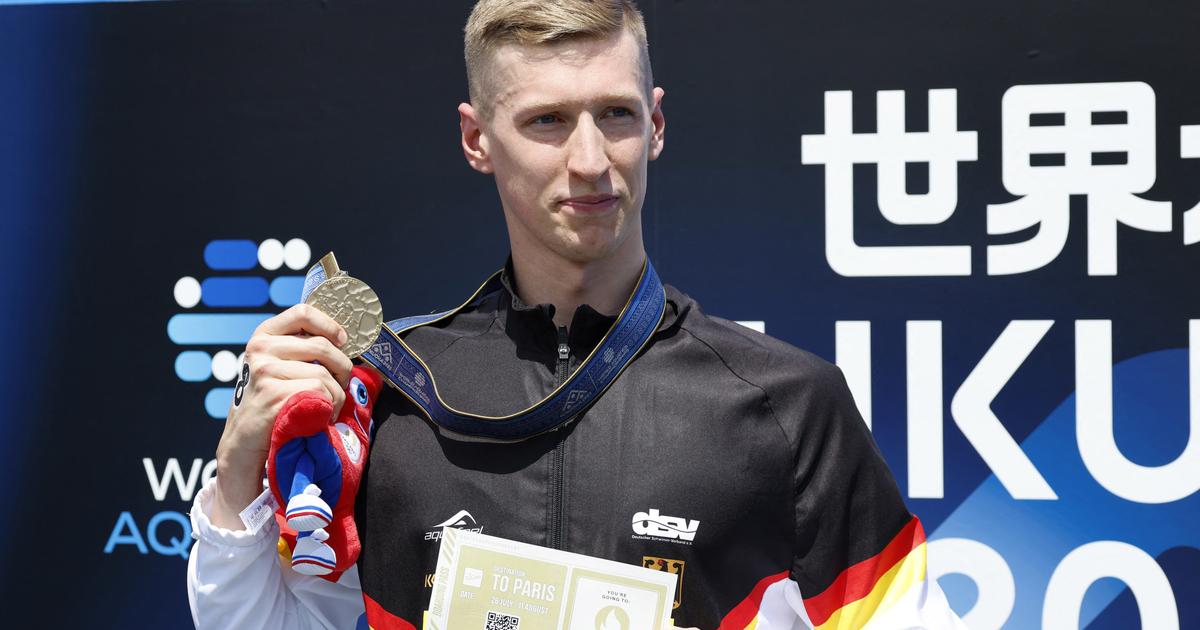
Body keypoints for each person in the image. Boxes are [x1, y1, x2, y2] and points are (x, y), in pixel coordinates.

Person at [187, 1, 965, 628]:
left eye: (616, 115)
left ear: (656, 124)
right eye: (547, 121)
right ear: (476, 138)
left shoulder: (786, 403)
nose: (590, 160)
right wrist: (237, 474)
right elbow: (267, 622)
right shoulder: (385, 392)